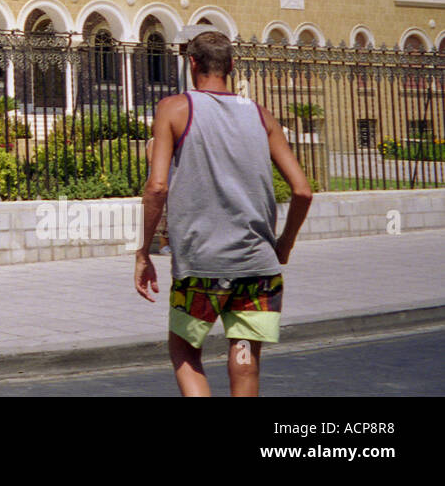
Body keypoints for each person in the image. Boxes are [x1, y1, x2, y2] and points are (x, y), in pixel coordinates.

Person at [134, 31, 313, 396]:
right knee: (244, 356)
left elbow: (156, 187)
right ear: (231, 66)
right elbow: (302, 190)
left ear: (192, 63)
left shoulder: (174, 109)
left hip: (202, 266)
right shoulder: (261, 116)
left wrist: (142, 253)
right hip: (258, 268)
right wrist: (285, 245)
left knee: (185, 348)